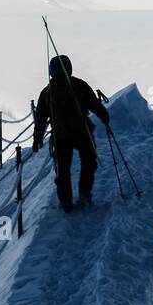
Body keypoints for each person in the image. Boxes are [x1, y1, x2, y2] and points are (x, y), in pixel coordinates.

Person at [32, 55, 110, 212]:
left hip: (60, 137)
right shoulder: (79, 85)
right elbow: (94, 104)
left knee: (62, 171)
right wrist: (104, 116)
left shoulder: (48, 92)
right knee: (89, 163)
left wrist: (37, 139)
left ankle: (66, 203)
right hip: (82, 132)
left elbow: (40, 118)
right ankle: (84, 195)